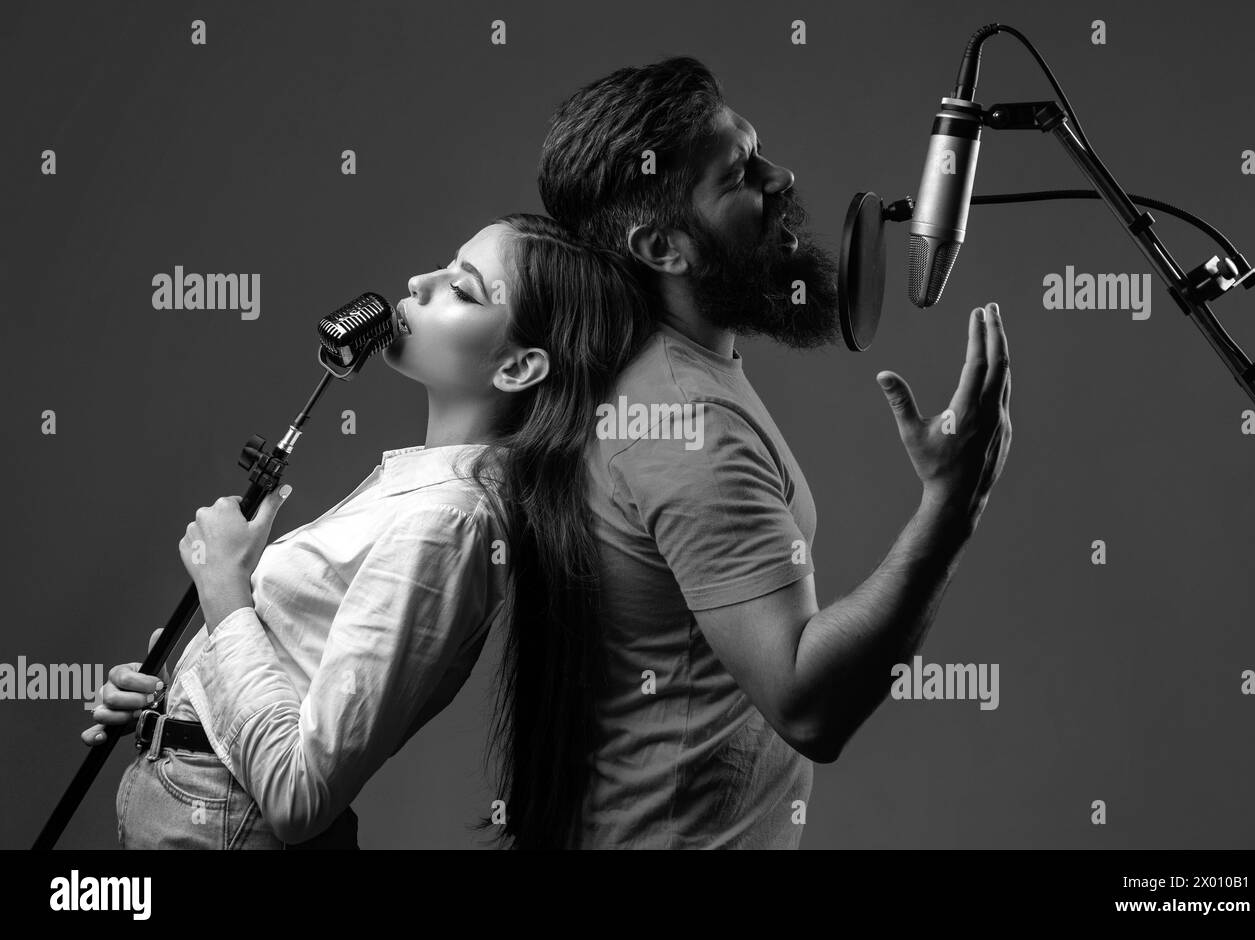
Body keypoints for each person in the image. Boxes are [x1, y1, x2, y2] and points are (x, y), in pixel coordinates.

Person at [492, 56, 1013, 848]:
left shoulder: (663, 372)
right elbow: (808, 707)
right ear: (665, 247)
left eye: (757, 149)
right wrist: (951, 505)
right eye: (740, 174)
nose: (782, 176)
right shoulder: (685, 426)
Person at [83, 212, 653, 849]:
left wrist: (224, 588)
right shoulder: (418, 494)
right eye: (443, 266)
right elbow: (296, 673)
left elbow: (300, 796)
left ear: (518, 369)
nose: (419, 280)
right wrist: (179, 694)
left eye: (463, 291)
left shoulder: (447, 524)